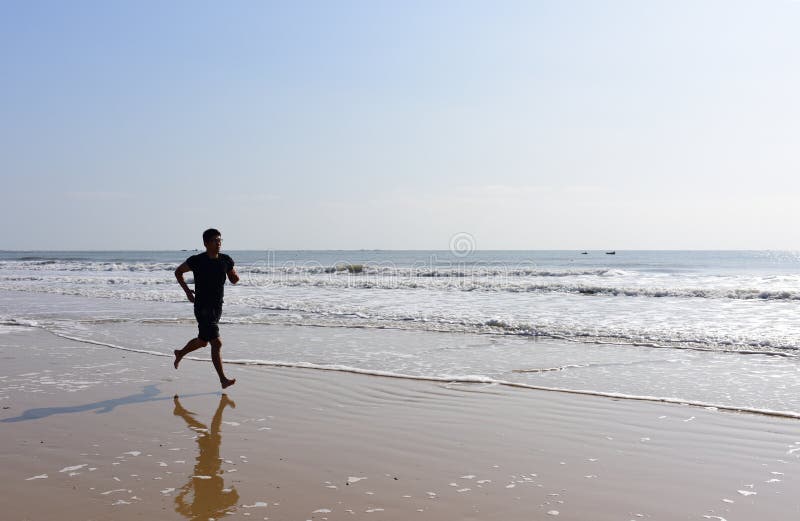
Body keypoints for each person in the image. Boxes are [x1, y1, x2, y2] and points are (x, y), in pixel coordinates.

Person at [173, 228, 239, 388]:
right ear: (206, 243)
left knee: (203, 341)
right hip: (202, 307)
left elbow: (233, 279)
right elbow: (178, 272)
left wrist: (234, 276)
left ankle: (180, 353)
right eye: (215, 240)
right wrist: (188, 292)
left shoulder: (226, 260)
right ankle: (223, 380)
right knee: (216, 343)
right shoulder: (197, 260)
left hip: (217, 307)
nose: (219, 243)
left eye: (220, 240)